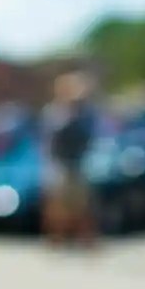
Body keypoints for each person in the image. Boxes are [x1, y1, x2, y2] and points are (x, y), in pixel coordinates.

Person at [43, 73, 98, 247]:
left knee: (83, 205)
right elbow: (51, 138)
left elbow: (90, 136)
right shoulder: (55, 112)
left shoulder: (86, 114)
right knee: (58, 205)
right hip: (60, 164)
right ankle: (56, 238)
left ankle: (86, 239)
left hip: (79, 163)